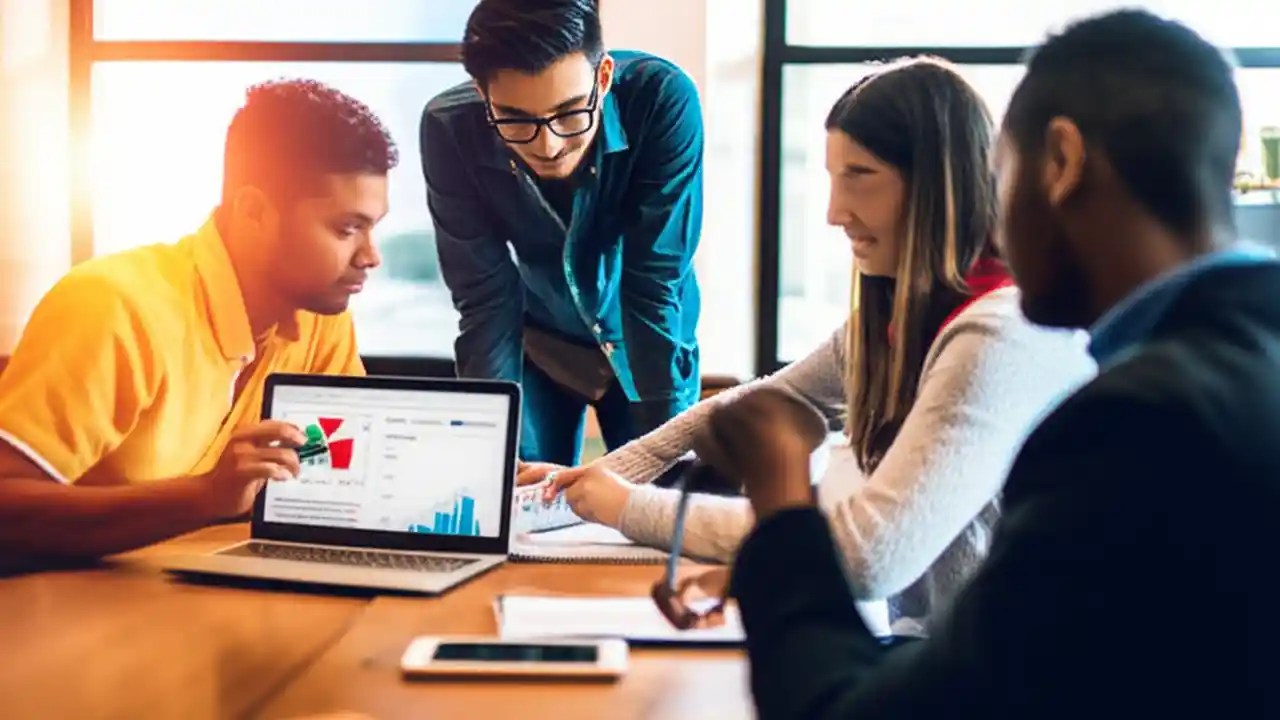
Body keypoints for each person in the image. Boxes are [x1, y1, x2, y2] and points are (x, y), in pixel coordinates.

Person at [718, 10, 1280, 718]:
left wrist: (781, 501)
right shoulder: (1245, 365)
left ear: (1062, 162)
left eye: (998, 174)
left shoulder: (1135, 426)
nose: (990, 213)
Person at [525, 58, 1095, 631]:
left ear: (936, 184)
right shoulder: (899, 320)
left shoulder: (999, 335)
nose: (833, 212)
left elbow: (868, 555)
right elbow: (749, 404)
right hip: (932, 648)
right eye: (831, 179)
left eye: (860, 176)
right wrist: (590, 483)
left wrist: (628, 507)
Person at [0, 79, 396, 563]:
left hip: (187, 593)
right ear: (253, 210)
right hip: (60, 611)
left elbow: (338, 464)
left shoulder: (319, 319)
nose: (371, 257)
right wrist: (204, 497)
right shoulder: (114, 305)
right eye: (346, 229)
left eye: (374, 227)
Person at [421, 0, 704, 468]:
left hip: (643, 336)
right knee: (513, 495)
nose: (548, 145)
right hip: (538, 343)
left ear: (604, 77)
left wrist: (668, 460)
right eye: (515, 119)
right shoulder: (449, 128)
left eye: (570, 113)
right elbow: (484, 297)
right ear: (481, 92)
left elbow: (655, 280)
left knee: (656, 498)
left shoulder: (661, 99)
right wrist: (489, 448)